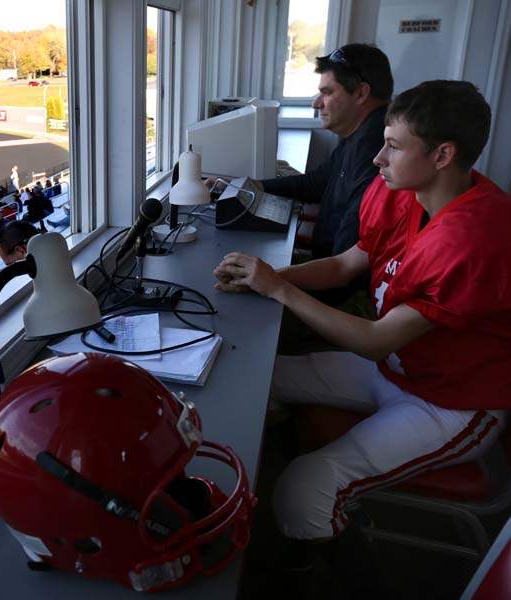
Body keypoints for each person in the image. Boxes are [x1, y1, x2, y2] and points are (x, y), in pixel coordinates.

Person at [213, 81, 510, 594]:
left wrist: (277, 289)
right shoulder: (403, 192)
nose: (376, 157)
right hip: (399, 370)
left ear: (442, 154)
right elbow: (350, 264)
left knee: (302, 493)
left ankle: (332, 564)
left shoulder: (475, 236)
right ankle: (293, 519)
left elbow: (376, 341)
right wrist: (266, 275)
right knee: (260, 378)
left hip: (452, 404)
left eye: (393, 145)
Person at [251, 44, 394, 263]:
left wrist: (275, 279)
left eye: (327, 92)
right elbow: (317, 183)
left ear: (360, 93)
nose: (316, 103)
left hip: (337, 286)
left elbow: (344, 266)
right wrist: (256, 187)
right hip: (326, 268)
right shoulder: (361, 134)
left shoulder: (375, 150)